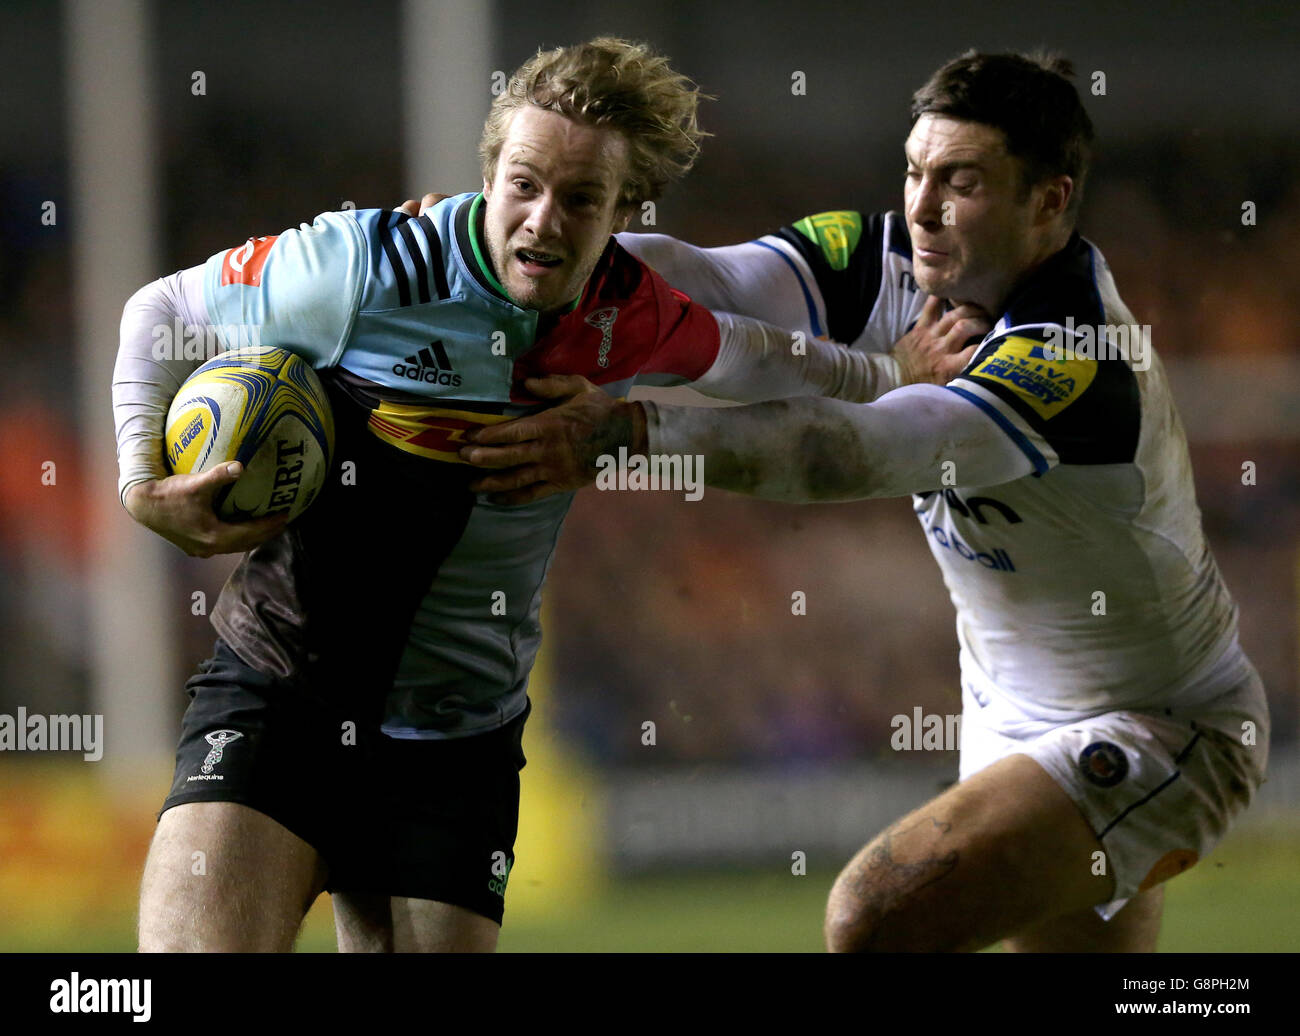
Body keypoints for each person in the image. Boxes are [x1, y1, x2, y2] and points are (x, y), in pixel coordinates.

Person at [113, 37, 967, 953]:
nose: (543, 222)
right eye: (523, 184)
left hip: (458, 742)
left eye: (581, 199)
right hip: (286, 691)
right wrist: (140, 484)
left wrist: (884, 370)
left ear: (626, 213)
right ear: (490, 173)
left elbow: (756, 357)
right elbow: (159, 311)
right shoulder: (362, 269)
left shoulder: (628, 312)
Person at [452, 51, 1270, 953]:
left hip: (1162, 727)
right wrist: (474, 250)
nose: (921, 207)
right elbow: (701, 283)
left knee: (872, 914)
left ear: (1048, 200)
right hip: (1006, 721)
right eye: (916, 171)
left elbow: (860, 451)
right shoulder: (876, 258)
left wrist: (629, 435)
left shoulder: (1075, 356)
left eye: (961, 184)